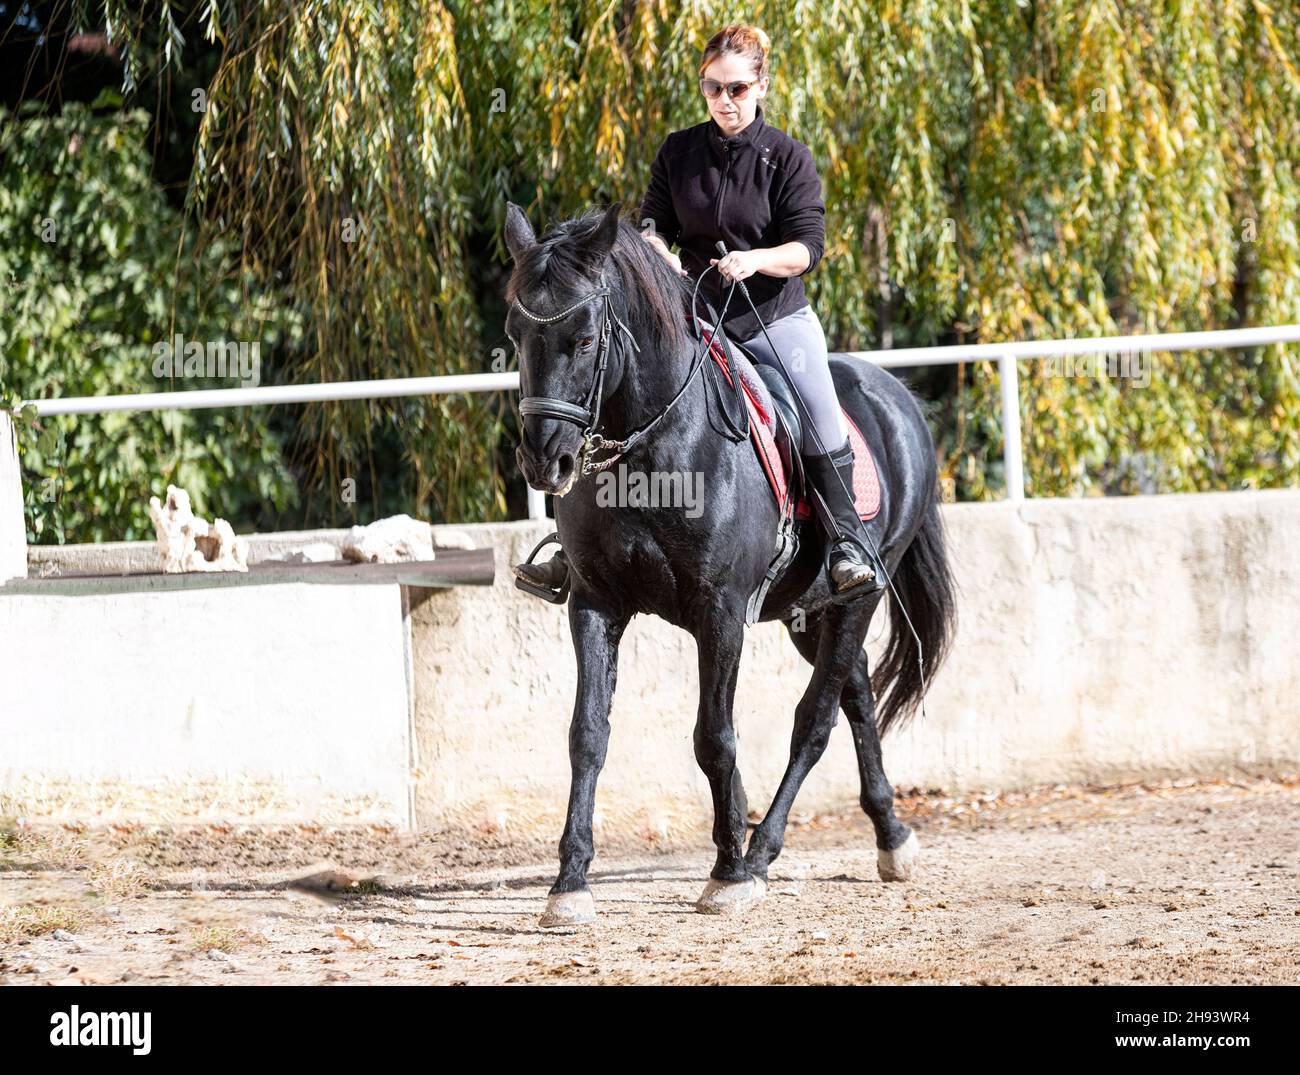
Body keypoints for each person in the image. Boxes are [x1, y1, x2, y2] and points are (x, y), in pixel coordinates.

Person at [514, 23, 884, 602]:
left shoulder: (788, 158)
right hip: (692, 314)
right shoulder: (678, 151)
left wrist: (755, 259)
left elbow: (808, 247)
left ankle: (845, 546)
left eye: (736, 89)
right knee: (613, 393)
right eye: (713, 89)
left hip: (772, 319)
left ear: (761, 84)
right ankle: (576, 551)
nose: (724, 101)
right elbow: (653, 227)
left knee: (815, 408)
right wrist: (661, 257)